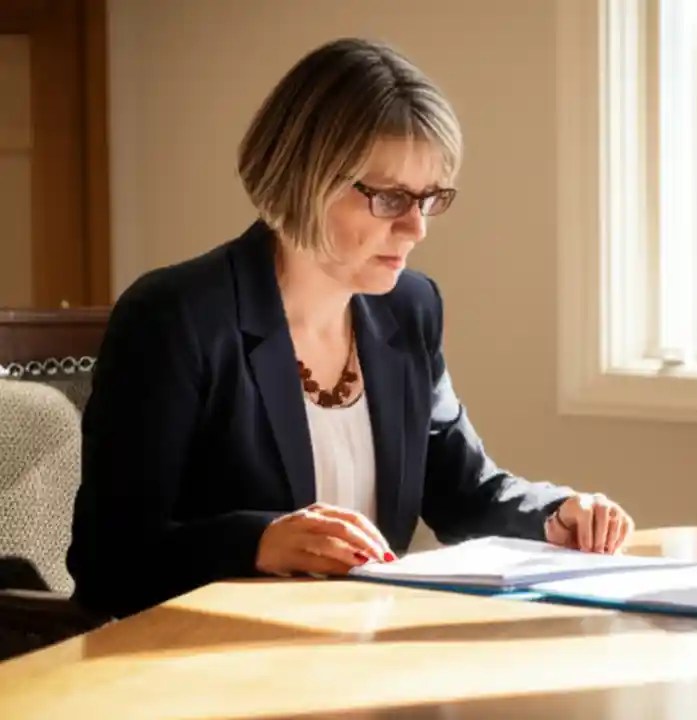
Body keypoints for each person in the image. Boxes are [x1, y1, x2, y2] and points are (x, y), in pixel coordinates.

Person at [69, 38, 634, 619]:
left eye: (430, 197)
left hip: (356, 657)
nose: (416, 227)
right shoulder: (176, 317)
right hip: (204, 671)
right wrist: (256, 543)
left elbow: (462, 492)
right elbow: (109, 561)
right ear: (302, 179)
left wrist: (553, 513)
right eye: (389, 198)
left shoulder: (408, 308)